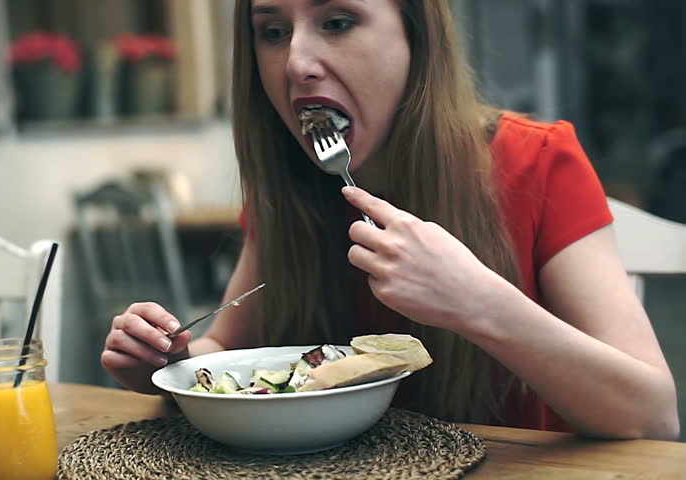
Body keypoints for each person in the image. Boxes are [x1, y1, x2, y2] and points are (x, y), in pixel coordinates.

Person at [101, 0, 680, 439]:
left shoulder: (538, 163)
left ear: (416, 34)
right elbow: (226, 346)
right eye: (272, 32)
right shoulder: (290, 188)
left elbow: (654, 416)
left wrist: (478, 301)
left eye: (337, 22)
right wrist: (172, 363)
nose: (296, 63)